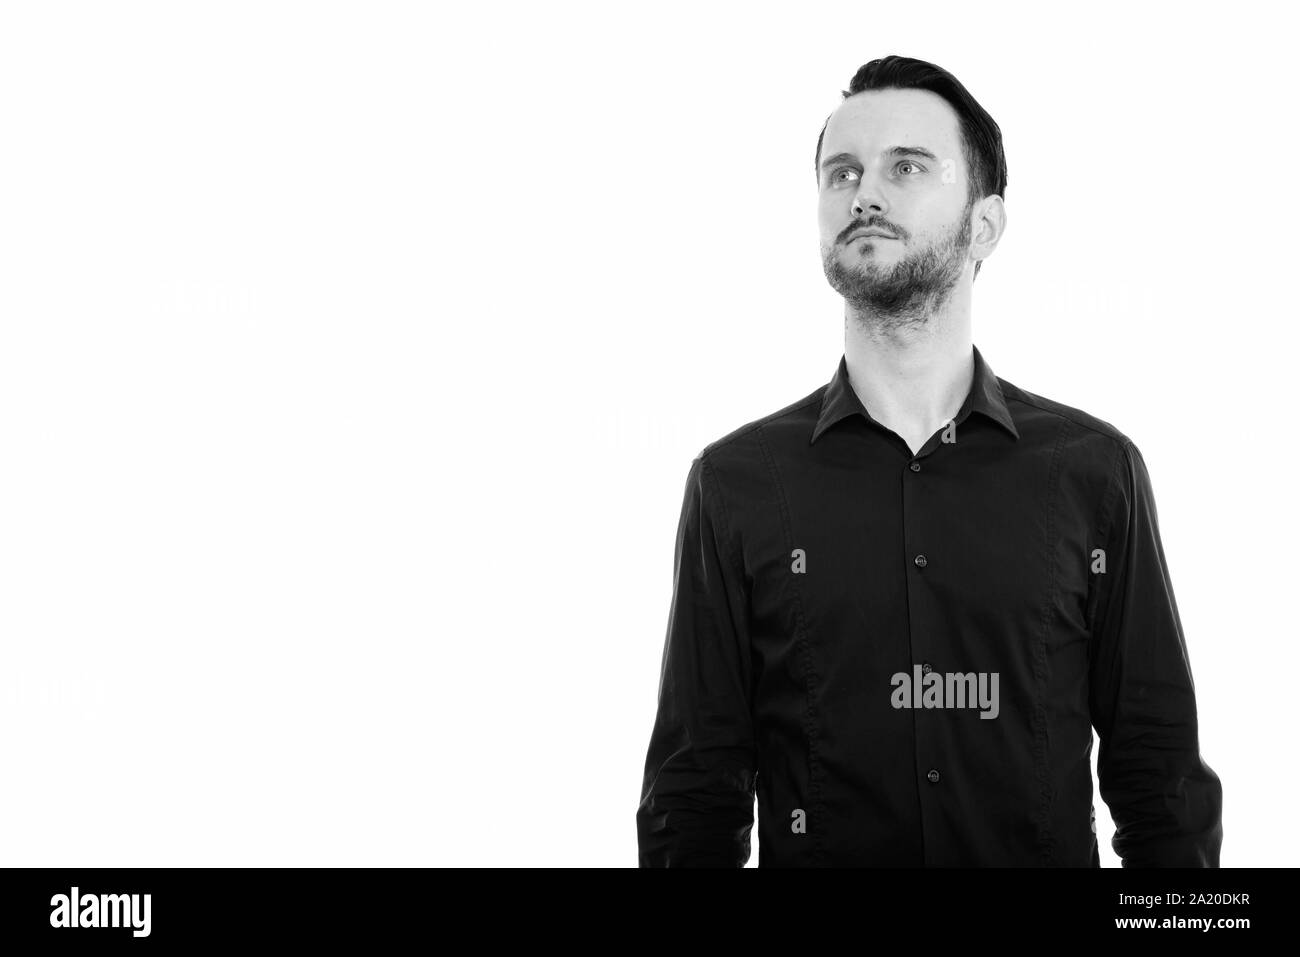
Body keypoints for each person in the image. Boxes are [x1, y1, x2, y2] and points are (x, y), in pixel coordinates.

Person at [635, 55, 1223, 867]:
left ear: (984, 225)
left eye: (906, 167)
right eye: (842, 172)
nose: (863, 193)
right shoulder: (737, 485)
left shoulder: (1094, 472)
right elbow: (692, 802)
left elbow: (1161, 787)